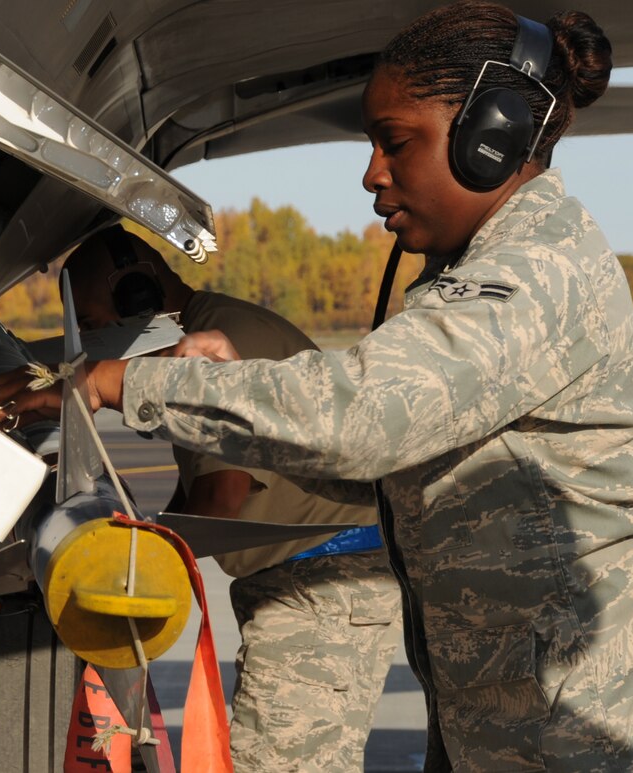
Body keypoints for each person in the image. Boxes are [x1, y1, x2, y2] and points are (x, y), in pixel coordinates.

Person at [0, 3, 633, 769]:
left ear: (488, 140)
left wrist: (123, 381)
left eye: (394, 143)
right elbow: (391, 395)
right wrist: (239, 384)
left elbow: (361, 415)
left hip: (622, 740)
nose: (371, 174)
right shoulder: (476, 278)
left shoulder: (534, 275)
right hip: (517, 732)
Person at [60, 225, 403, 772]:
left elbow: (222, 496)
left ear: (137, 294)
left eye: (100, 324)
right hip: (319, 582)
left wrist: (133, 567)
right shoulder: (207, 327)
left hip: (319, 587)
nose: (103, 342)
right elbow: (200, 485)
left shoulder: (212, 346)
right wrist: (147, 528)